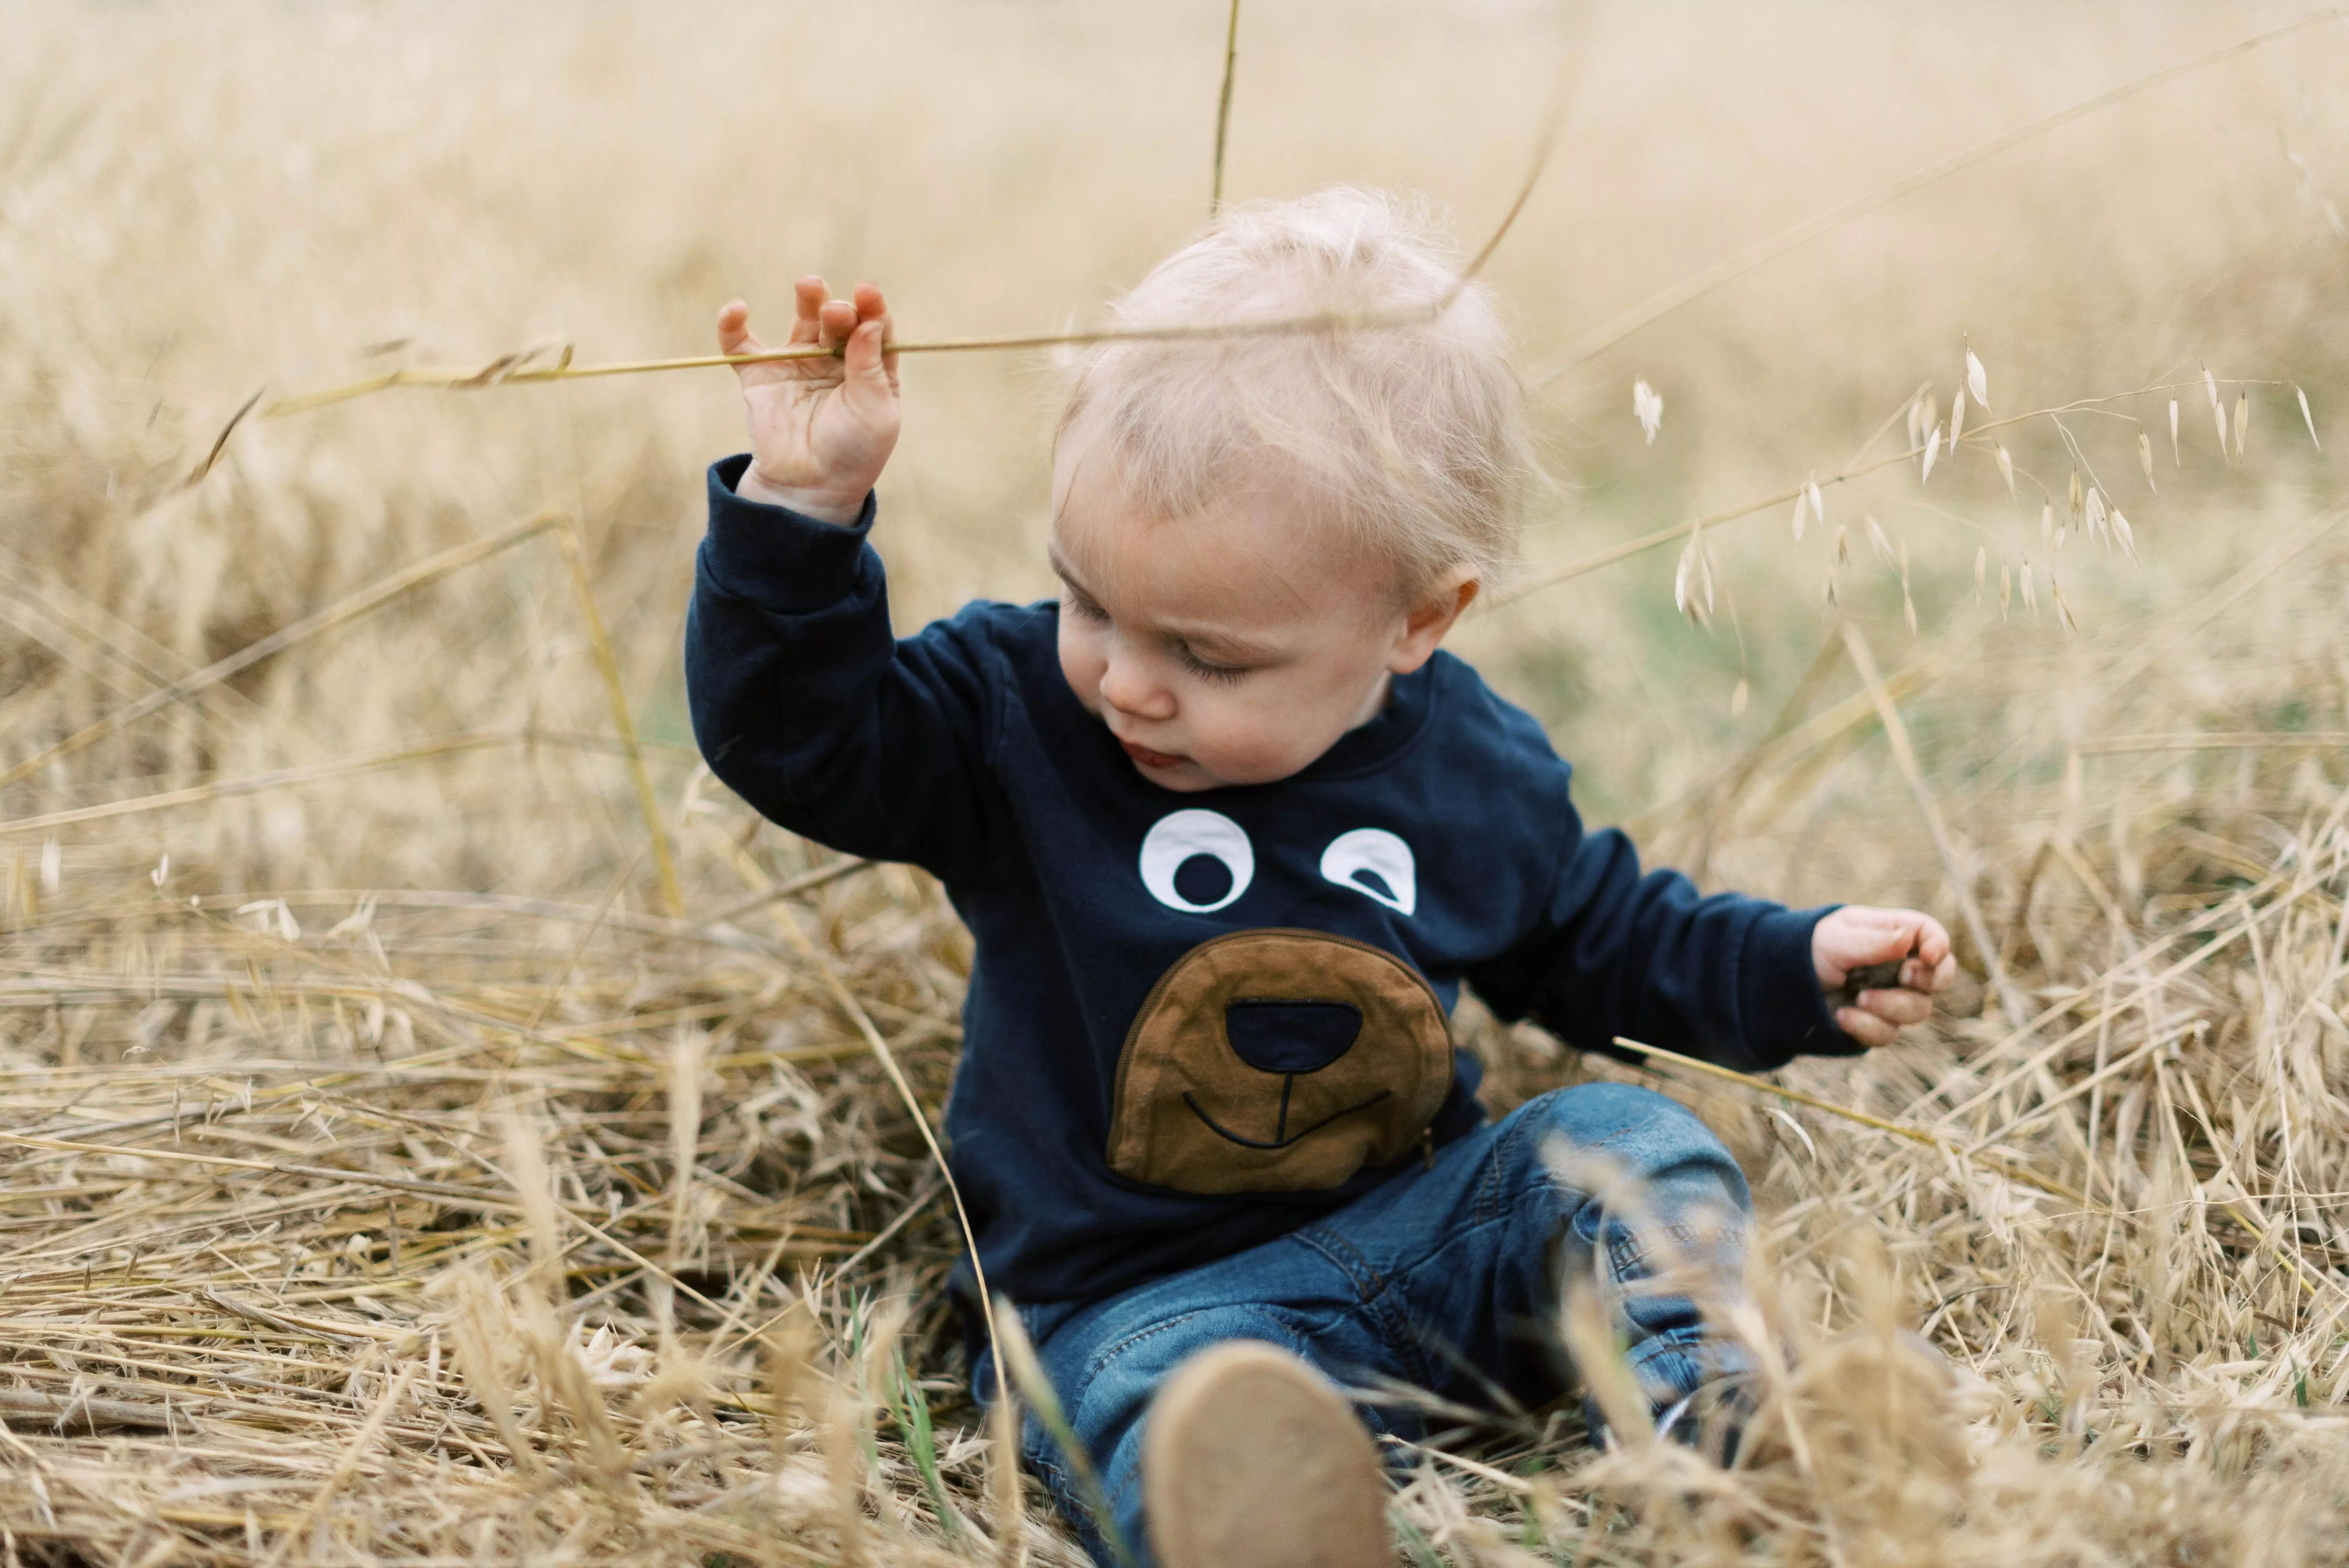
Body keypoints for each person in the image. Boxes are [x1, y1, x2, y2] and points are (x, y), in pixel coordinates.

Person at [686, 187, 1955, 1568]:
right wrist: (801, 518)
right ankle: (1262, 1515)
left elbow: (1600, 937)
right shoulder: (1014, 719)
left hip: (1427, 1248)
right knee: (1135, 1406)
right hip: (1131, 1308)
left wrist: (1788, 966)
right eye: (1089, 601)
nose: (1126, 680)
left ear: (1418, 620)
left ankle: (1732, 1427)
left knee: (1625, 1148)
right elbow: (799, 743)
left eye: (1209, 658)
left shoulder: (1472, 766)